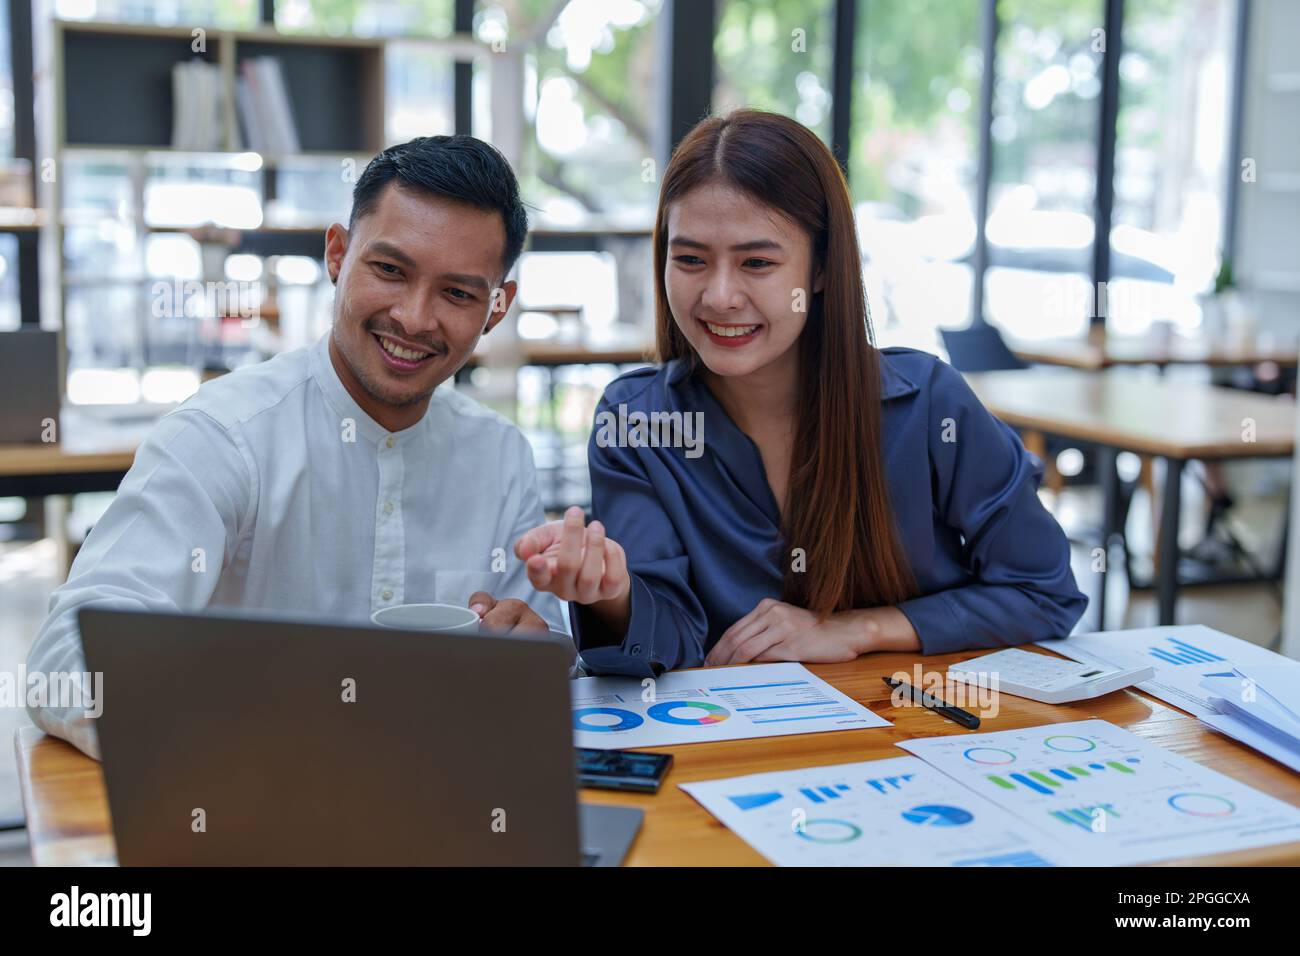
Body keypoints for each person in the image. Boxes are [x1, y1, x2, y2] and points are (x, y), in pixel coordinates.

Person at [28, 135, 567, 758]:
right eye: (390, 270)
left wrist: (533, 654)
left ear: (497, 308)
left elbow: (540, 645)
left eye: (458, 293)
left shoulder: (499, 456)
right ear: (337, 254)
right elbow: (67, 658)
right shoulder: (223, 435)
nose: (415, 318)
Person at [516, 109, 1087, 677]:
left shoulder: (928, 405)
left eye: (757, 262)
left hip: (914, 732)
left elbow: (1044, 592)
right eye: (689, 259)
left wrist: (861, 628)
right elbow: (668, 642)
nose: (719, 296)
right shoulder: (637, 420)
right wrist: (611, 593)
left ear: (820, 268)